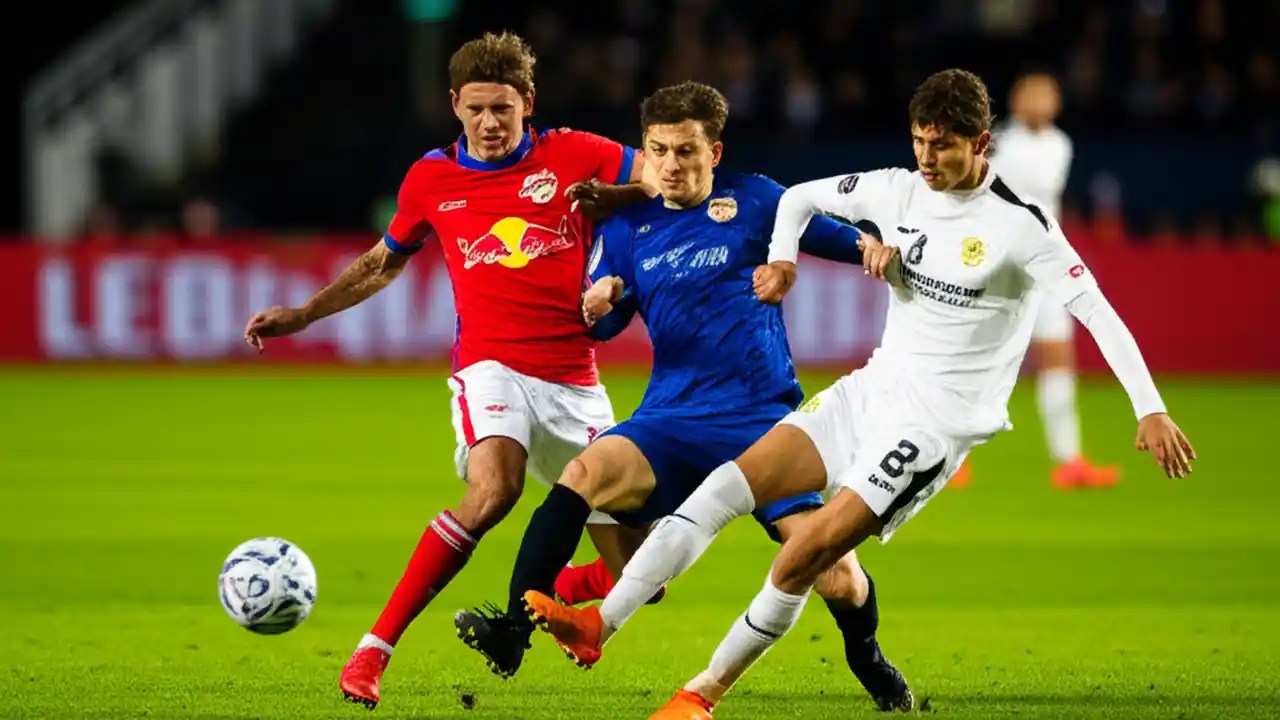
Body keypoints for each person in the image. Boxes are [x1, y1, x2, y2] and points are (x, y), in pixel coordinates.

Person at [524, 69, 1196, 720]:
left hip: (933, 426)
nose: (926, 158)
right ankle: (599, 627)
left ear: (981, 144)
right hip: (872, 389)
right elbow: (798, 199)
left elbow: (1098, 312)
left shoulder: (1022, 227)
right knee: (723, 489)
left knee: (806, 554)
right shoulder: (898, 189)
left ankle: (701, 695)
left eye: (943, 145)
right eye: (919, 140)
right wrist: (783, 261)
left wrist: (1151, 408)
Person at [453, 81, 913, 710]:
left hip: (762, 421)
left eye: (686, 151)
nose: (670, 165)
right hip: (669, 420)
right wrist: (600, 304)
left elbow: (840, 238)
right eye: (658, 150)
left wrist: (874, 248)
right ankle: (513, 629)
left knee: (833, 570)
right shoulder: (625, 228)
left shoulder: (758, 200)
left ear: (714, 152)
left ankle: (868, 657)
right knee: (583, 474)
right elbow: (606, 324)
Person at [241, 31, 650, 709]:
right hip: (490, 367)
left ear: (528, 103)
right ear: (455, 104)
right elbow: (383, 262)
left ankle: (559, 589)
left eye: (503, 109)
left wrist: (621, 206)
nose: (490, 123)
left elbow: (668, 183)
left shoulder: (578, 153)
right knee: (495, 490)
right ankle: (373, 651)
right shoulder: (431, 178)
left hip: (575, 380)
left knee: (642, 570)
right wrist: (306, 313)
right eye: (477, 109)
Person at [957, 71, 1117, 490]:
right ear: (1015, 100)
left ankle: (1069, 460)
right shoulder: (998, 144)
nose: (1040, 103)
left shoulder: (1060, 144)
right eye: (1032, 95)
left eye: (1048, 95)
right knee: (977, 362)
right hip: (1001, 266)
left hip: (1045, 264)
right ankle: (951, 458)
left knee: (1058, 358)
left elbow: (1043, 197)